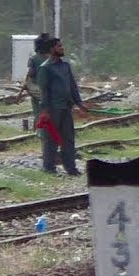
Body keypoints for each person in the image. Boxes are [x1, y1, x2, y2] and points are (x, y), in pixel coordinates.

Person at [36, 38, 89, 176]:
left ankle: (71, 168)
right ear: (52, 49)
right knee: (51, 138)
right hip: (53, 108)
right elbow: (44, 91)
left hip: (66, 107)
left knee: (68, 139)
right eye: (59, 46)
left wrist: (79, 102)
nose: (62, 48)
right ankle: (49, 168)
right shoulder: (45, 68)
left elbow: (72, 85)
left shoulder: (65, 66)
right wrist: (45, 110)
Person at [16, 34, 51, 131]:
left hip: (36, 90)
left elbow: (30, 74)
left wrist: (22, 90)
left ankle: (39, 130)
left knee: (37, 112)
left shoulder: (34, 59)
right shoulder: (53, 58)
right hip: (51, 90)